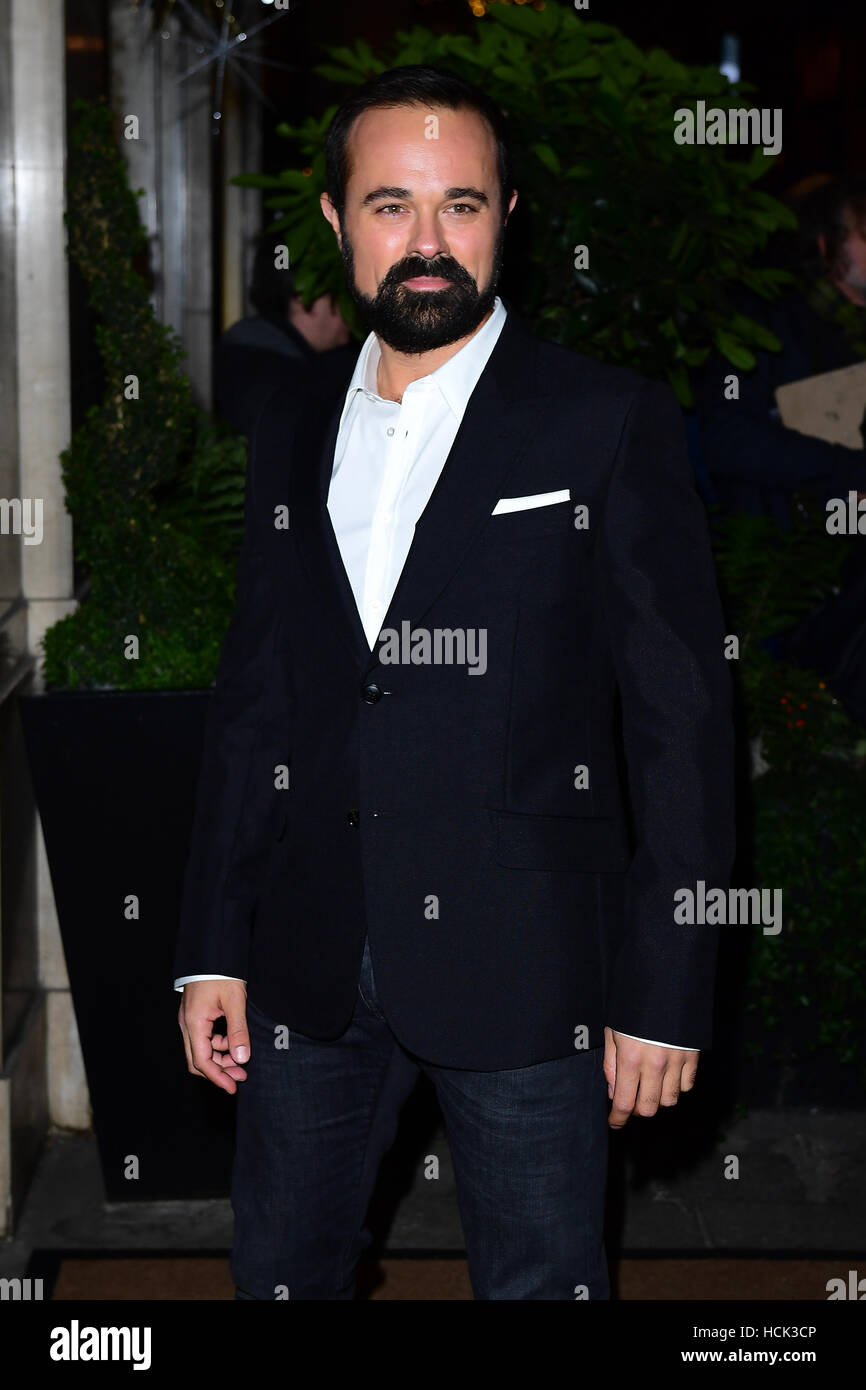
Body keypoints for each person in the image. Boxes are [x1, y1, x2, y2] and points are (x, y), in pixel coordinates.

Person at [174, 64, 735, 1301]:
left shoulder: (605, 420)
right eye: (389, 205)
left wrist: (666, 987)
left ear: (507, 214)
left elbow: (681, 723)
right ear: (334, 222)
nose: (426, 243)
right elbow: (255, 692)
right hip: (310, 953)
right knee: (277, 1271)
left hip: (529, 965)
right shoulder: (286, 421)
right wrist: (211, 941)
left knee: (540, 1283)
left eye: (460, 206)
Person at [696, 175, 866, 528]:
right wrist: (848, 471)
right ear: (825, 244)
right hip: (789, 551)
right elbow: (726, 437)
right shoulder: (762, 319)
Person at [214, 235, 358, 438]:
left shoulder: (248, 354)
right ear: (303, 293)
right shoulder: (280, 381)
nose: (351, 305)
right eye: (341, 291)